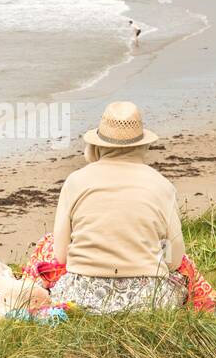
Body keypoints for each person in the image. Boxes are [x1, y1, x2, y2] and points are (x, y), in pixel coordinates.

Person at [47, 102, 187, 315]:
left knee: (45, 245)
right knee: (186, 268)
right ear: (143, 145)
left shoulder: (75, 181)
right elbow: (175, 259)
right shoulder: (162, 185)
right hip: (148, 299)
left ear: (96, 145)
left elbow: (61, 256)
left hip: (82, 295)